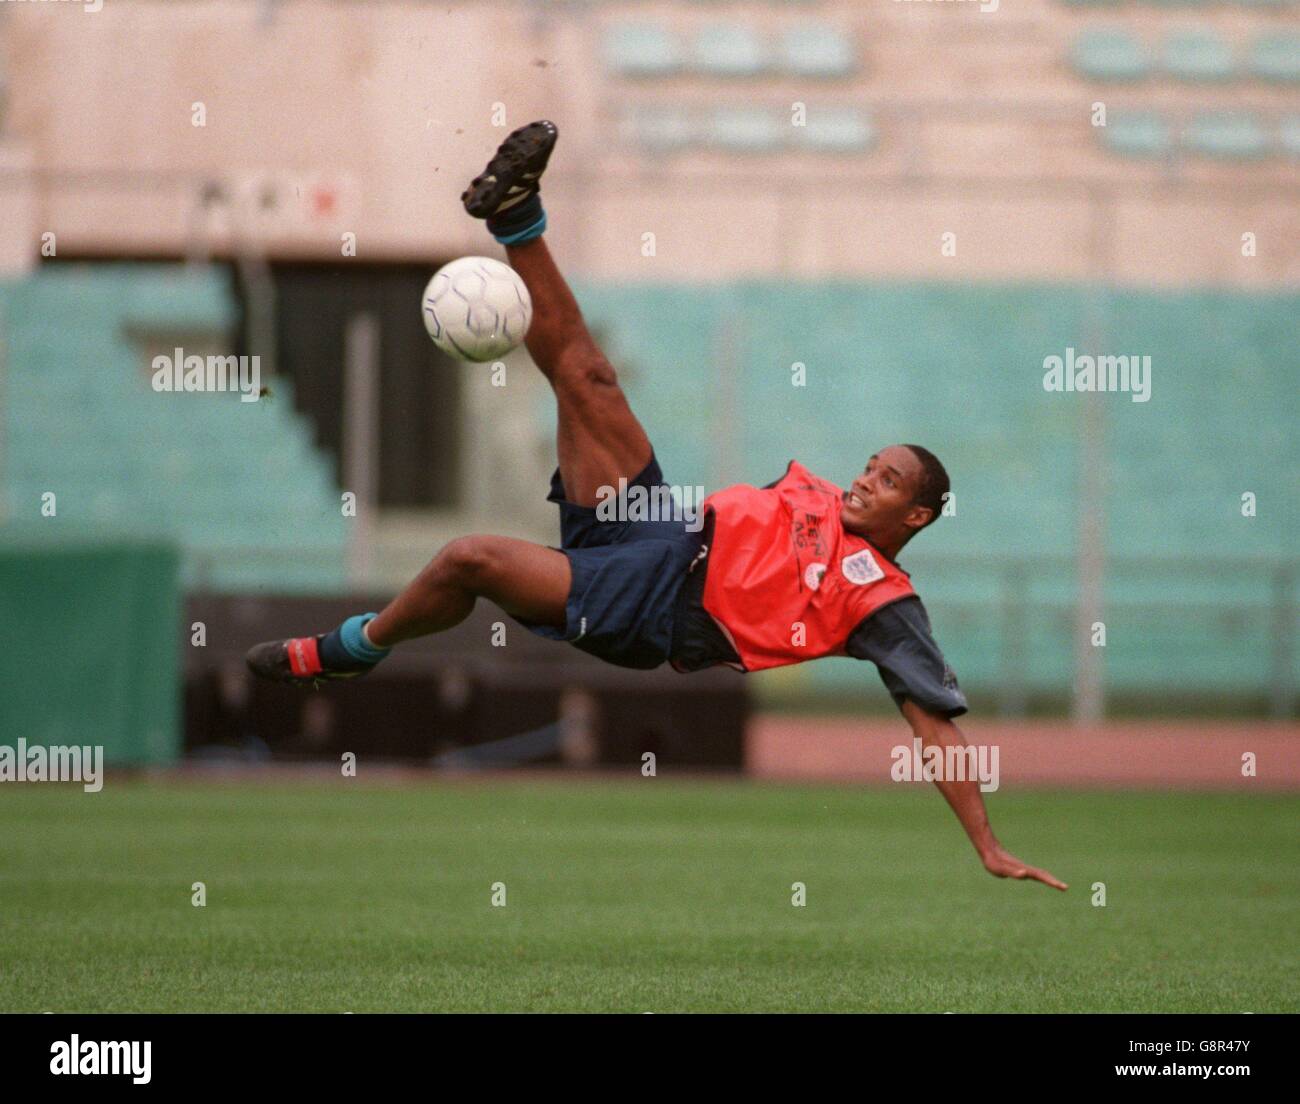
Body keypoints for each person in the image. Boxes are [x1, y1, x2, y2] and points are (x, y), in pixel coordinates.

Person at [247, 121, 1066, 892]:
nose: (862, 481)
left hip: (658, 608)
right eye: (868, 465)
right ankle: (515, 213)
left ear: (916, 517)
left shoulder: (881, 601)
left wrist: (986, 844)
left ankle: (351, 648)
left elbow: (936, 730)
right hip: (665, 521)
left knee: (472, 559)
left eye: (886, 482)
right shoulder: (819, 495)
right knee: (588, 377)